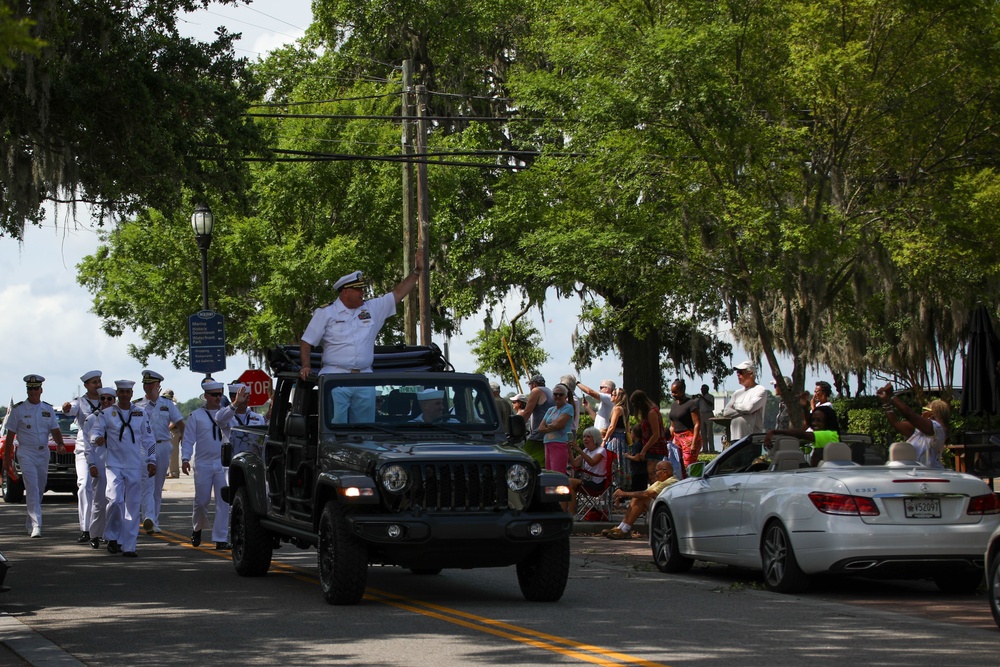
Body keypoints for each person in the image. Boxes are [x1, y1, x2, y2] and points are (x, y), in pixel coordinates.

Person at [298, 262, 423, 423]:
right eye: (358, 289)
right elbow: (306, 341)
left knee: (364, 428)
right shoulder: (326, 312)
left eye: (362, 288)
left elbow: (398, 293)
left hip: (364, 377)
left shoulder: (371, 308)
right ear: (345, 292)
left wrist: (417, 272)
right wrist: (306, 366)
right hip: (335, 376)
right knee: (335, 425)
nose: (362, 292)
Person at [90, 379, 155, 557]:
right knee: (114, 500)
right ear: (117, 394)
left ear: (132, 394)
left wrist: (152, 460)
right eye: (122, 392)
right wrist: (97, 439)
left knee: (133, 506)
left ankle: (129, 546)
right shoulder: (107, 413)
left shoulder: (140, 413)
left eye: (128, 392)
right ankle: (112, 536)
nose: (125, 395)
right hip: (114, 464)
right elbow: (94, 431)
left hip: (134, 465)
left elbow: (149, 439)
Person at [3, 375, 66, 538]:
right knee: (31, 487)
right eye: (30, 389)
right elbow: (10, 435)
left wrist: (60, 444)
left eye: (36, 388)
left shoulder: (47, 409)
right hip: (26, 452)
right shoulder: (18, 410)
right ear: (27, 391)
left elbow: (55, 430)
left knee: (39, 487)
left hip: (43, 452)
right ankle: (37, 525)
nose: (33, 392)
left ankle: (30, 521)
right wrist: (7, 458)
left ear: (41, 390)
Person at [133, 369, 185, 534]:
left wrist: (186, 441)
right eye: (145, 384)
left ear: (158, 385)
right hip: (143, 448)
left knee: (157, 486)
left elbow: (180, 423)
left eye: (151, 384)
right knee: (145, 483)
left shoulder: (167, 404)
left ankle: (153, 520)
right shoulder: (137, 405)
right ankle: (146, 517)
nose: (148, 387)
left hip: (162, 446)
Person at [182, 380, 231, 549]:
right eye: (214, 395)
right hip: (203, 463)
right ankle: (198, 527)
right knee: (202, 501)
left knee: (223, 502)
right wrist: (185, 458)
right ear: (206, 396)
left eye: (220, 395)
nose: (218, 398)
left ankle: (221, 538)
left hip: (222, 464)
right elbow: (188, 439)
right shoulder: (196, 415)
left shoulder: (226, 414)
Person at [62, 369, 104, 543]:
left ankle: (101, 529)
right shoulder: (80, 402)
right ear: (86, 385)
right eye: (94, 382)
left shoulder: (107, 400)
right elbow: (70, 409)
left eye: (99, 381)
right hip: (84, 449)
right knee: (85, 485)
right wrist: (66, 408)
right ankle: (86, 528)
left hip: (103, 450)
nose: (97, 385)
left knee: (102, 490)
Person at [876, 383, 948, 469]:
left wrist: (892, 396)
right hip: (915, 472)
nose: (922, 412)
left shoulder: (938, 428)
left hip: (931, 473)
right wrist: (885, 402)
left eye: (925, 409)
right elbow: (896, 423)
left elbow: (910, 416)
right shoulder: (919, 431)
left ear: (932, 414)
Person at [604, 461, 679, 539]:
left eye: (656, 471)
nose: (655, 474)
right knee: (637, 497)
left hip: (668, 510)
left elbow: (646, 494)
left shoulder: (671, 481)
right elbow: (644, 492)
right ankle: (621, 528)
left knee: (641, 499)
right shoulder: (660, 481)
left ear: (664, 472)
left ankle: (625, 530)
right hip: (661, 507)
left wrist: (623, 493)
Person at [83, 387, 116, 549]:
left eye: (109, 399)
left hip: (117, 463)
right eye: (103, 399)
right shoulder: (91, 419)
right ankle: (95, 534)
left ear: (114, 401)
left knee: (115, 500)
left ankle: (111, 535)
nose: (105, 402)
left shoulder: (119, 418)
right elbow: (87, 446)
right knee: (99, 501)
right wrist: (91, 464)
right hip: (100, 461)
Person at [764, 405, 840, 466]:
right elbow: (809, 424)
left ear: (828, 422)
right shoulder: (823, 438)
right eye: (813, 420)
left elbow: (801, 434)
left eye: (819, 420)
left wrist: (774, 432)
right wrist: (805, 406)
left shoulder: (830, 435)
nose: (814, 423)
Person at [626, 389, 670, 483]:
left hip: (655, 448)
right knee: (651, 474)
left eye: (635, 404)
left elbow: (656, 434)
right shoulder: (648, 412)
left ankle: (657, 492)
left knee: (653, 474)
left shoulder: (651, 412)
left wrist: (644, 450)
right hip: (650, 448)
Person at [216, 383, 268, 458]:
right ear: (233, 398)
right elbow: (218, 419)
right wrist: (236, 403)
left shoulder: (258, 418)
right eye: (244, 397)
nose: (247, 400)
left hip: (252, 460)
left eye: (248, 397)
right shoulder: (227, 416)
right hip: (232, 461)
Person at [719, 361, 767, 441]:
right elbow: (726, 412)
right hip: (735, 438)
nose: (738, 374)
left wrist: (735, 406)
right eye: (737, 372)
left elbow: (749, 408)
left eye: (741, 372)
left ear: (751, 374)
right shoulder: (737, 393)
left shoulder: (760, 390)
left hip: (752, 439)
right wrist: (744, 410)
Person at [567, 427, 607, 515]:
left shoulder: (601, 451)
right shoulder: (586, 451)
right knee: (565, 483)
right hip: (587, 480)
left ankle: (571, 513)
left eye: (588, 437)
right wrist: (569, 451)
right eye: (584, 437)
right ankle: (564, 512)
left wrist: (579, 450)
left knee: (568, 482)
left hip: (597, 483)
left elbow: (592, 462)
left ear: (595, 438)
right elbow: (575, 464)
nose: (585, 439)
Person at [536, 382, 574, 473]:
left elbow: (559, 425)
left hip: (560, 443)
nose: (558, 396)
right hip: (548, 443)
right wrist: (552, 426)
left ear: (565, 396)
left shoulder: (568, 408)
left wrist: (548, 427)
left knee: (557, 472)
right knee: (549, 473)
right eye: (555, 394)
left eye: (560, 394)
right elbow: (540, 428)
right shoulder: (550, 410)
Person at [516, 374, 552, 467]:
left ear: (534, 384)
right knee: (541, 463)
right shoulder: (549, 391)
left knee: (522, 459)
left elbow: (527, 412)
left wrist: (516, 428)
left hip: (538, 434)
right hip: (549, 433)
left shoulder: (536, 391)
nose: (530, 388)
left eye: (530, 385)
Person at [667, 379, 702, 472]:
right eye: (672, 392)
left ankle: (693, 479)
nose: (673, 394)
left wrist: (694, 443)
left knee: (688, 465)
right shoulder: (674, 405)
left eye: (675, 392)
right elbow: (672, 425)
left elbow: (697, 423)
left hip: (689, 438)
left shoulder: (691, 404)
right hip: (677, 438)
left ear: (682, 391)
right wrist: (669, 440)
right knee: (677, 465)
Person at [601, 387, 631, 491]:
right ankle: (622, 486)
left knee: (614, 463)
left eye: (613, 394)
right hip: (623, 440)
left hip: (615, 440)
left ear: (617, 397)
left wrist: (605, 439)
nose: (611, 396)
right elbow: (628, 428)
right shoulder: (625, 409)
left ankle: (614, 486)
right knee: (622, 463)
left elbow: (612, 426)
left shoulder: (617, 409)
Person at [163, 388, 182, 478]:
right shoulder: (167, 405)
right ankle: (168, 471)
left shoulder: (172, 405)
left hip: (173, 431)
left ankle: (174, 472)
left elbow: (175, 420)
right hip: (170, 430)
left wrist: (165, 429)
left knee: (173, 453)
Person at [696, 384, 715, 453]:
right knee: (703, 433)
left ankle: (711, 449)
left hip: (708, 414)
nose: (701, 390)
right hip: (701, 415)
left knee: (709, 433)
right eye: (701, 389)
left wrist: (703, 398)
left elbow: (711, 404)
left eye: (703, 389)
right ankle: (705, 448)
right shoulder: (700, 399)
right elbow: (696, 406)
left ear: (706, 389)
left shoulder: (710, 396)